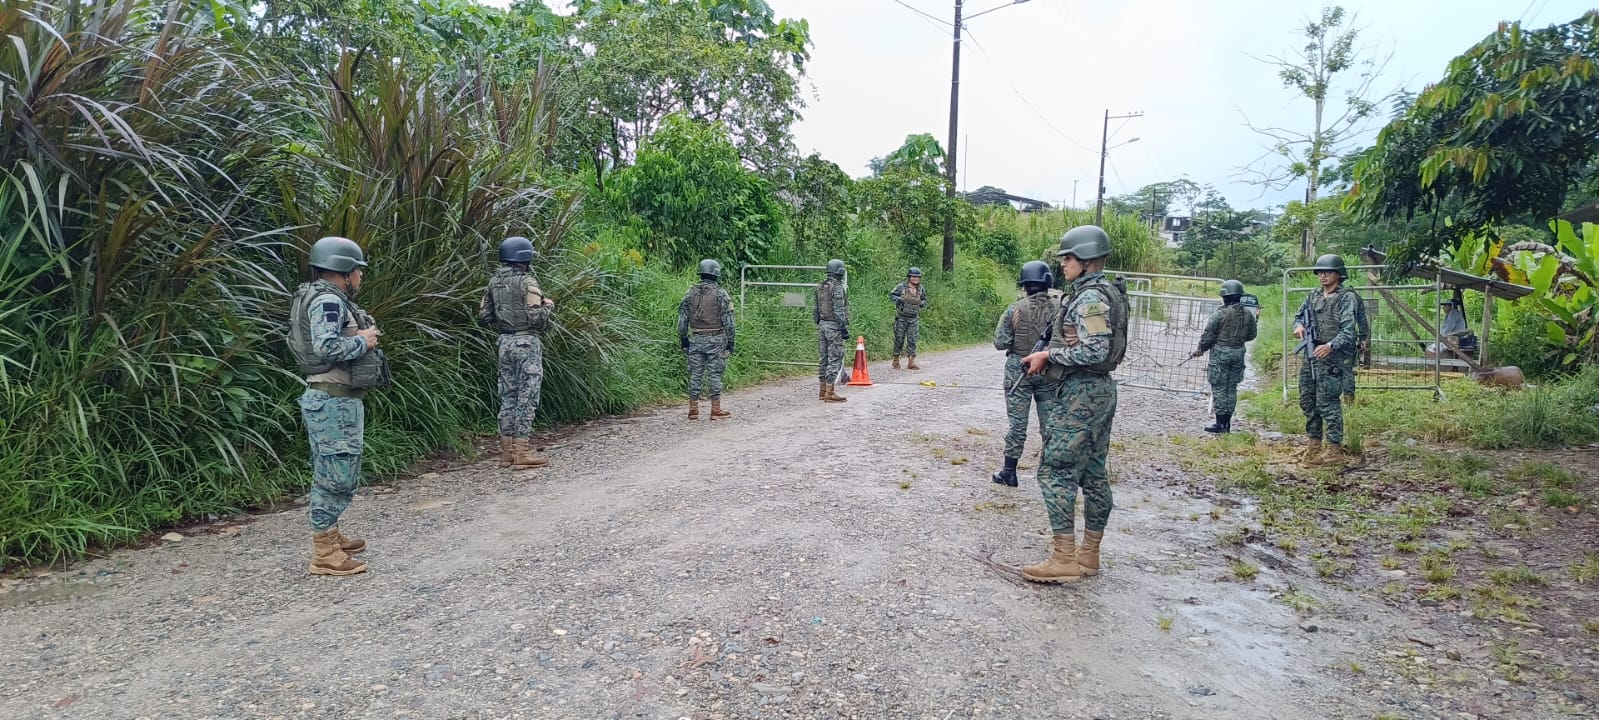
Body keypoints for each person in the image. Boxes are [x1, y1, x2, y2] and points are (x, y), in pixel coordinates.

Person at [1019, 226, 1129, 583]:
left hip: (1081, 393)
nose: (1063, 264)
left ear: (1086, 260)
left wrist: (1050, 354)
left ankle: (1065, 558)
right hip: (1097, 391)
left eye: (1068, 258)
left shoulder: (1091, 299)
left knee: (1056, 470)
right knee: (1094, 473)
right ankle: (1089, 554)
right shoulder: (1106, 292)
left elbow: (1095, 348)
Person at [288, 236, 384, 576]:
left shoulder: (323, 298)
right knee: (336, 474)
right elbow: (328, 346)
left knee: (336, 468)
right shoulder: (328, 302)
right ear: (345, 271)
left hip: (335, 400)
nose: (360, 277)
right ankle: (324, 553)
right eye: (358, 271)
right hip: (332, 400)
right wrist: (364, 340)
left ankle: (330, 534)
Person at [478, 236, 554, 470]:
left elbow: (484, 316)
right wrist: (548, 306)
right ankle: (522, 452)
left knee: (508, 397)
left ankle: (506, 452)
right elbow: (536, 318)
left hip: (504, 343)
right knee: (527, 397)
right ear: (524, 257)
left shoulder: (494, 282)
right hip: (526, 343)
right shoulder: (527, 282)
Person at [990, 260, 1056, 488]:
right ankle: (1050, 473)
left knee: (1018, 424)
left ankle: (1009, 472)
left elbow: (1000, 342)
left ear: (1024, 284)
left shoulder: (1015, 309)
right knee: (1051, 425)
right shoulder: (1061, 308)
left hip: (1019, 369)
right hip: (1050, 367)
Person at [1292, 254, 1359, 463]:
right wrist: (1299, 326)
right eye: (1320, 272)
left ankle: (1334, 448)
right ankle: (1314, 443)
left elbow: (1348, 331)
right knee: (1307, 399)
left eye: (1327, 272)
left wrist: (1330, 346)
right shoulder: (1313, 295)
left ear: (1338, 274)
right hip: (1311, 354)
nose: (1322, 276)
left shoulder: (1346, 297)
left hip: (1332, 357)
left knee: (1328, 402)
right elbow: (1299, 316)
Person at [1190, 279, 1257, 434]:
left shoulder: (1220, 314)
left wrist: (1201, 349)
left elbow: (1208, 334)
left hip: (1221, 353)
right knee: (1231, 388)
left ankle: (1220, 424)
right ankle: (1227, 423)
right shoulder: (1248, 314)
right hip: (1238, 352)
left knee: (1219, 387)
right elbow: (1252, 335)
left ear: (1225, 296)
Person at [678, 259, 735, 419]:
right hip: (716, 339)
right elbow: (729, 322)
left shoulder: (689, 293)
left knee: (695, 374)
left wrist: (684, 339)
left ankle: (693, 409)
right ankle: (715, 410)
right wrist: (731, 342)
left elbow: (682, 321)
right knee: (715, 374)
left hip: (695, 338)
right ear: (716, 274)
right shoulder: (721, 294)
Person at [814, 259, 850, 403]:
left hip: (822, 325)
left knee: (823, 358)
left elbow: (815, 309)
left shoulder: (820, 286)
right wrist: (843, 327)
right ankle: (830, 391)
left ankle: (822, 390)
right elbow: (838, 309)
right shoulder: (837, 288)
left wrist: (819, 321)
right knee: (835, 358)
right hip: (834, 326)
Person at [889, 267, 929, 370]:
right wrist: (899, 300)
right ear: (909, 277)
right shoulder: (901, 287)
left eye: (917, 277)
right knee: (899, 339)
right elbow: (892, 295)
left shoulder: (921, 289)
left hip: (914, 318)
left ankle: (911, 362)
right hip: (901, 317)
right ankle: (896, 360)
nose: (916, 279)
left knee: (912, 339)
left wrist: (921, 304)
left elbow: (925, 299)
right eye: (913, 277)